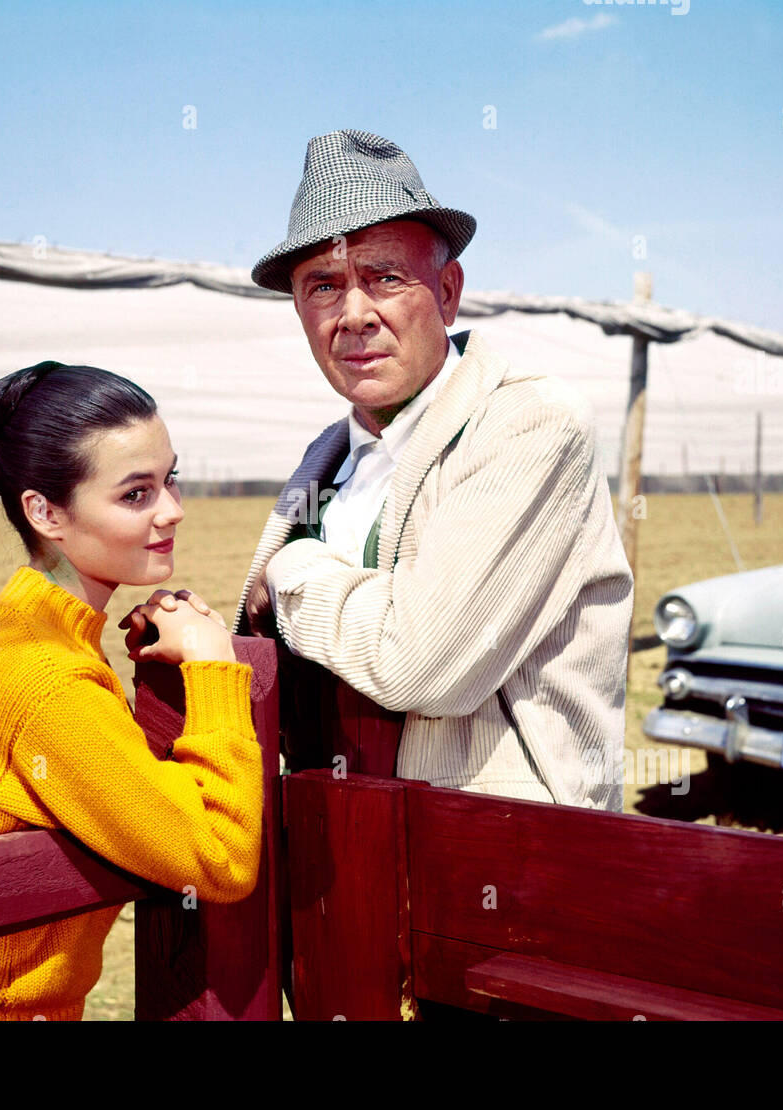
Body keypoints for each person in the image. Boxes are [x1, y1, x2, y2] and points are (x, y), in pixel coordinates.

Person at [0, 361, 263, 1021]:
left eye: (170, 479)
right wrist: (213, 666)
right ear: (45, 512)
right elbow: (221, 858)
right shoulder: (48, 678)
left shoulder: (19, 626)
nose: (173, 510)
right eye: (136, 494)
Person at [234, 129, 633, 810]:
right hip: (339, 838)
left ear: (448, 293)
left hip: (498, 850)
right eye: (322, 287)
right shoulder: (330, 454)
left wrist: (290, 569)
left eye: (385, 278)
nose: (353, 315)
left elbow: (424, 664)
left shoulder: (528, 423)